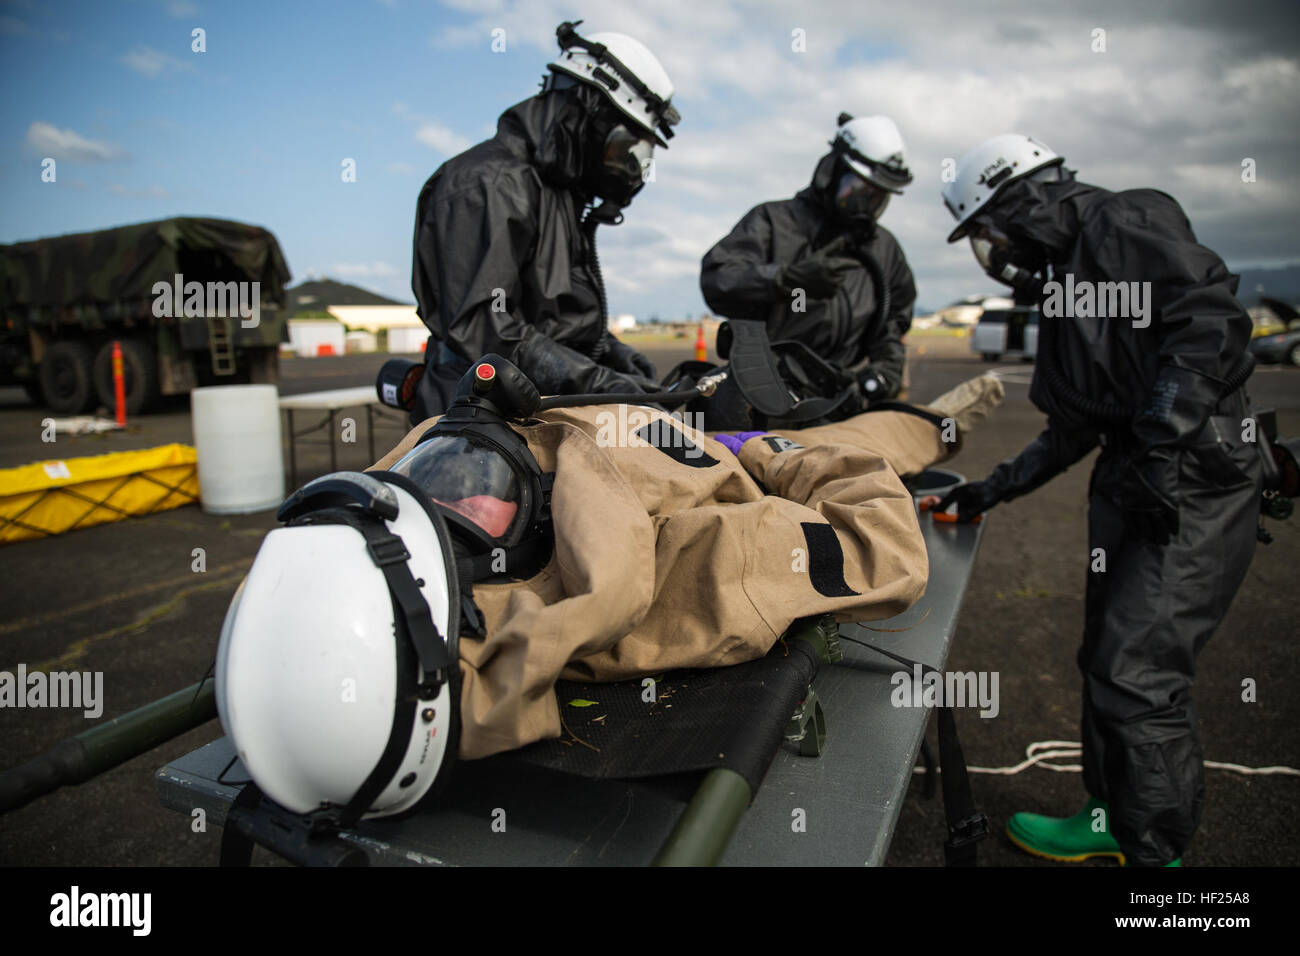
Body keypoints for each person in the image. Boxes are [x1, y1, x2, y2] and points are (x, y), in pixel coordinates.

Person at [217, 356, 1003, 825]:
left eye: (454, 495)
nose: (462, 495)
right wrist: (769, 451)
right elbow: (886, 547)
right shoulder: (692, 570)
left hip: (655, 416)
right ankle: (934, 420)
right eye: (465, 528)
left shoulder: (412, 479)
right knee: (882, 433)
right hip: (758, 453)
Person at [936, 134, 1263, 867]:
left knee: (1137, 674)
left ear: (1017, 203)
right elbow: (1076, 422)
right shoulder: (1069, 280)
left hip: (1194, 475)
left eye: (986, 232)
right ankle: (1112, 814)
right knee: (1105, 656)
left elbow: (1208, 321)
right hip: (1136, 474)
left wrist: (1160, 436)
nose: (992, 251)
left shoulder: (1123, 221)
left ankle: (1157, 867)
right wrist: (989, 489)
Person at [407, 20, 678, 423]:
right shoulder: (489, 183)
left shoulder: (560, 195)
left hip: (545, 408)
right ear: (588, 111)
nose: (628, 167)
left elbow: (554, 321)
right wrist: (599, 382)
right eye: (626, 146)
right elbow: (483, 329)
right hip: (480, 422)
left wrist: (612, 354)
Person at [699, 114, 918, 406]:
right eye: (860, 191)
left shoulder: (883, 247)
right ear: (830, 173)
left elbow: (893, 320)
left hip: (844, 400)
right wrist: (785, 279)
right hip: (766, 397)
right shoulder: (773, 222)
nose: (866, 206)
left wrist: (885, 371)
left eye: (878, 198)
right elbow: (718, 279)